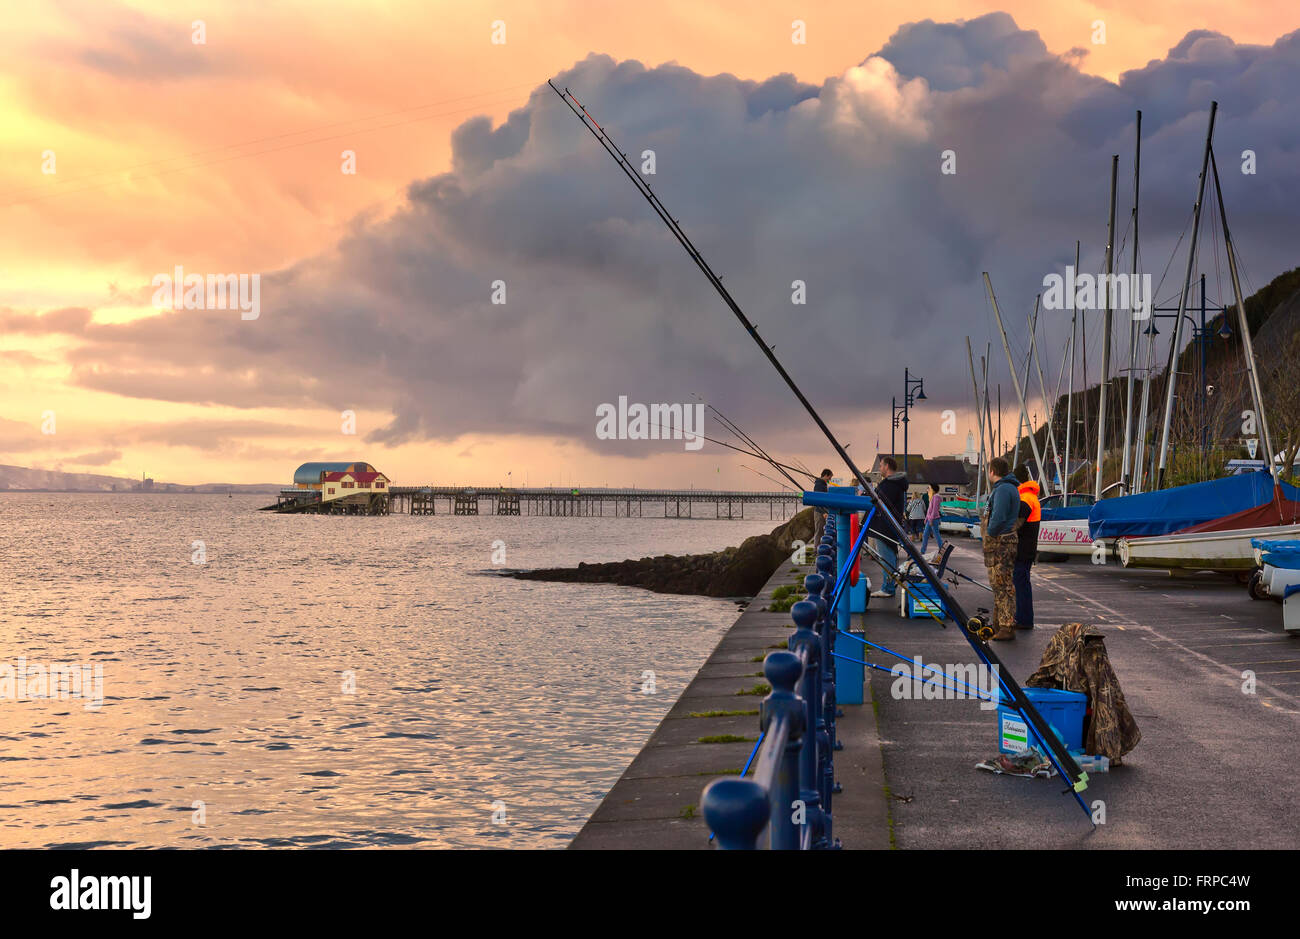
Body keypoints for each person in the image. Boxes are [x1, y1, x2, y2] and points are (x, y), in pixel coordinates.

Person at [982, 458, 1021, 641]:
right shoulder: (1006, 488)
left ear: (993, 471)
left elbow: (998, 517)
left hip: (1001, 543)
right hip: (1002, 543)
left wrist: (990, 532)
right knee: (998, 584)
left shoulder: (1004, 490)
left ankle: (1006, 625)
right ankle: (999, 623)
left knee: (1003, 584)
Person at [869, 457, 908, 599]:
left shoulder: (890, 484)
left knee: (886, 558)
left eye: (881, 466)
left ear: (887, 466)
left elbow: (880, 500)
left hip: (885, 526)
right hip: (888, 525)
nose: (880, 468)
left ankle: (888, 588)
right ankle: (888, 586)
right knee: (888, 556)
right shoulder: (894, 483)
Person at [1014, 478, 1042, 630]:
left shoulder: (1025, 499)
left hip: (1022, 550)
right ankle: (1023, 617)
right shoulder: (1032, 497)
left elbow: (1017, 524)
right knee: (1023, 584)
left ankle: (1024, 619)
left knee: (1021, 584)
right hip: (1028, 549)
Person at [920, 483, 944, 558]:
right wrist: (926, 518)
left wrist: (930, 520)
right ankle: (922, 551)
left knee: (936, 535)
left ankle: (942, 550)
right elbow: (929, 510)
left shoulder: (936, 497)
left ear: (932, 489)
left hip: (933, 520)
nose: (927, 489)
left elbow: (934, 510)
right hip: (930, 519)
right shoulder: (932, 497)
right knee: (925, 535)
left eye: (929, 488)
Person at [812, 468, 832, 543]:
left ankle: (818, 547)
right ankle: (816, 549)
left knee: (821, 531)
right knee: (819, 531)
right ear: (826, 475)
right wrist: (823, 512)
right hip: (819, 512)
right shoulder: (819, 485)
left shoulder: (822, 484)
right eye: (829, 478)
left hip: (822, 511)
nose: (829, 480)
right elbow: (817, 501)